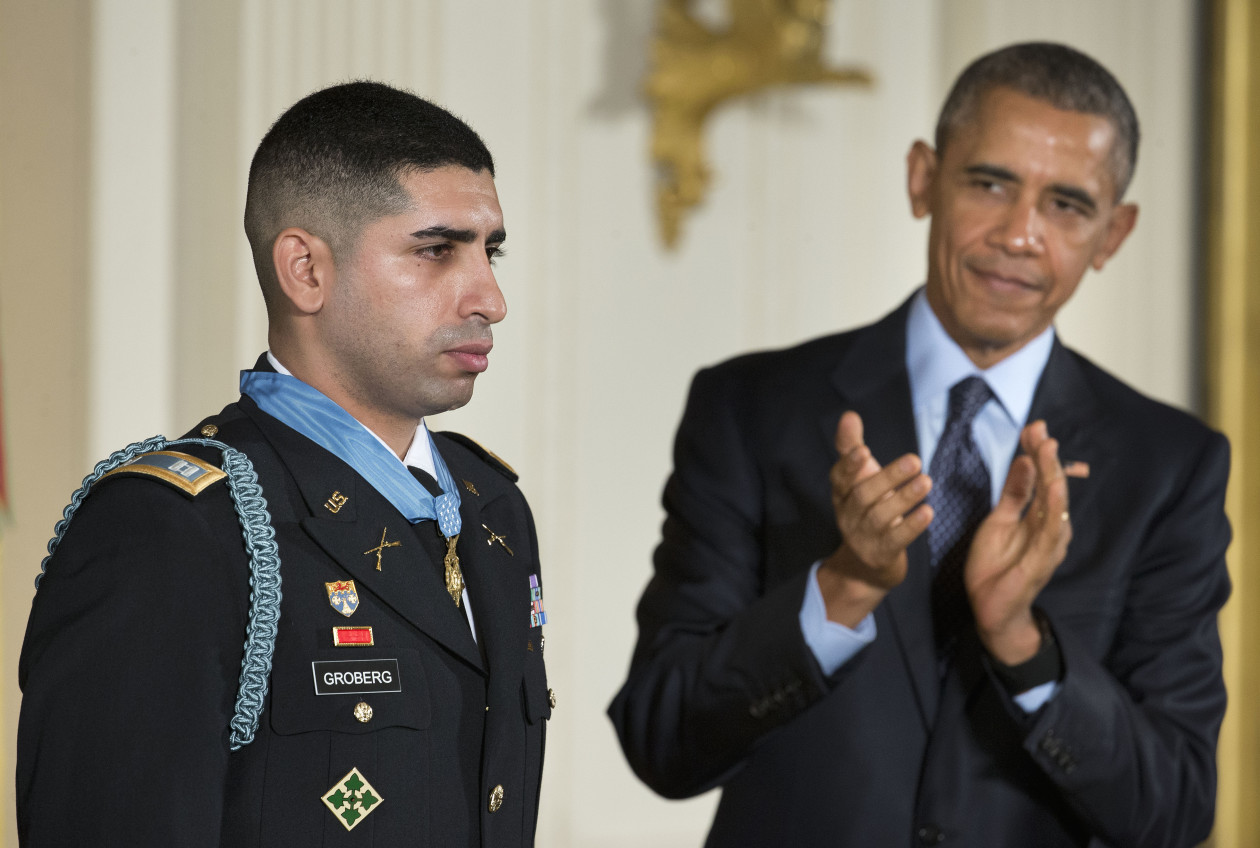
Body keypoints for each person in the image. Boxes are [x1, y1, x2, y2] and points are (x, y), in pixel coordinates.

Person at [609, 42, 1230, 848]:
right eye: (990, 184)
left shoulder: (1170, 466)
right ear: (922, 179)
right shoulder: (751, 408)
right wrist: (844, 586)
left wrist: (1023, 644)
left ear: (1113, 234)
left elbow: (1176, 810)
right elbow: (661, 738)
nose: (1020, 235)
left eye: (1067, 205)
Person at [18, 81, 552, 847]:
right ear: (305, 270)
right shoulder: (173, 527)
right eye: (437, 250)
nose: (491, 299)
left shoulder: (490, 505)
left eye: (489, 251)